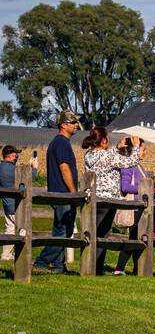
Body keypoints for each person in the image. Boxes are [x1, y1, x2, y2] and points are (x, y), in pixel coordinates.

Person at [82, 127, 142, 275]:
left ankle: (90, 265)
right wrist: (136, 147)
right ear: (104, 140)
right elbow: (131, 161)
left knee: (92, 232)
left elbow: (105, 158)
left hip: (92, 198)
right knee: (102, 235)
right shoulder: (107, 156)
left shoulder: (88, 155)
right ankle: (96, 268)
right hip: (107, 200)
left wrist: (117, 147)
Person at [35, 110, 80, 273]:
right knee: (63, 231)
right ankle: (42, 261)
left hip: (60, 193)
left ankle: (59, 266)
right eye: (73, 122)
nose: (76, 125)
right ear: (63, 125)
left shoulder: (59, 142)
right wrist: (73, 193)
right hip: (63, 193)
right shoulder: (61, 143)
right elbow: (64, 168)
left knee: (62, 230)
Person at [114, 140, 147, 275]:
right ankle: (120, 268)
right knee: (134, 239)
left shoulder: (138, 166)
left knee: (137, 239)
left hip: (140, 207)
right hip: (133, 207)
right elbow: (125, 186)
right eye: (143, 149)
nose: (145, 152)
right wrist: (144, 189)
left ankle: (135, 269)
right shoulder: (128, 165)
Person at [0, 145, 17, 262]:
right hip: (16, 205)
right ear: (10, 155)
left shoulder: (1, 167)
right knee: (23, 229)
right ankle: (19, 254)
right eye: (15, 154)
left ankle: (6, 255)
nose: (17, 156)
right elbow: (31, 177)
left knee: (10, 228)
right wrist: (34, 168)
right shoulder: (12, 169)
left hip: (6, 203)